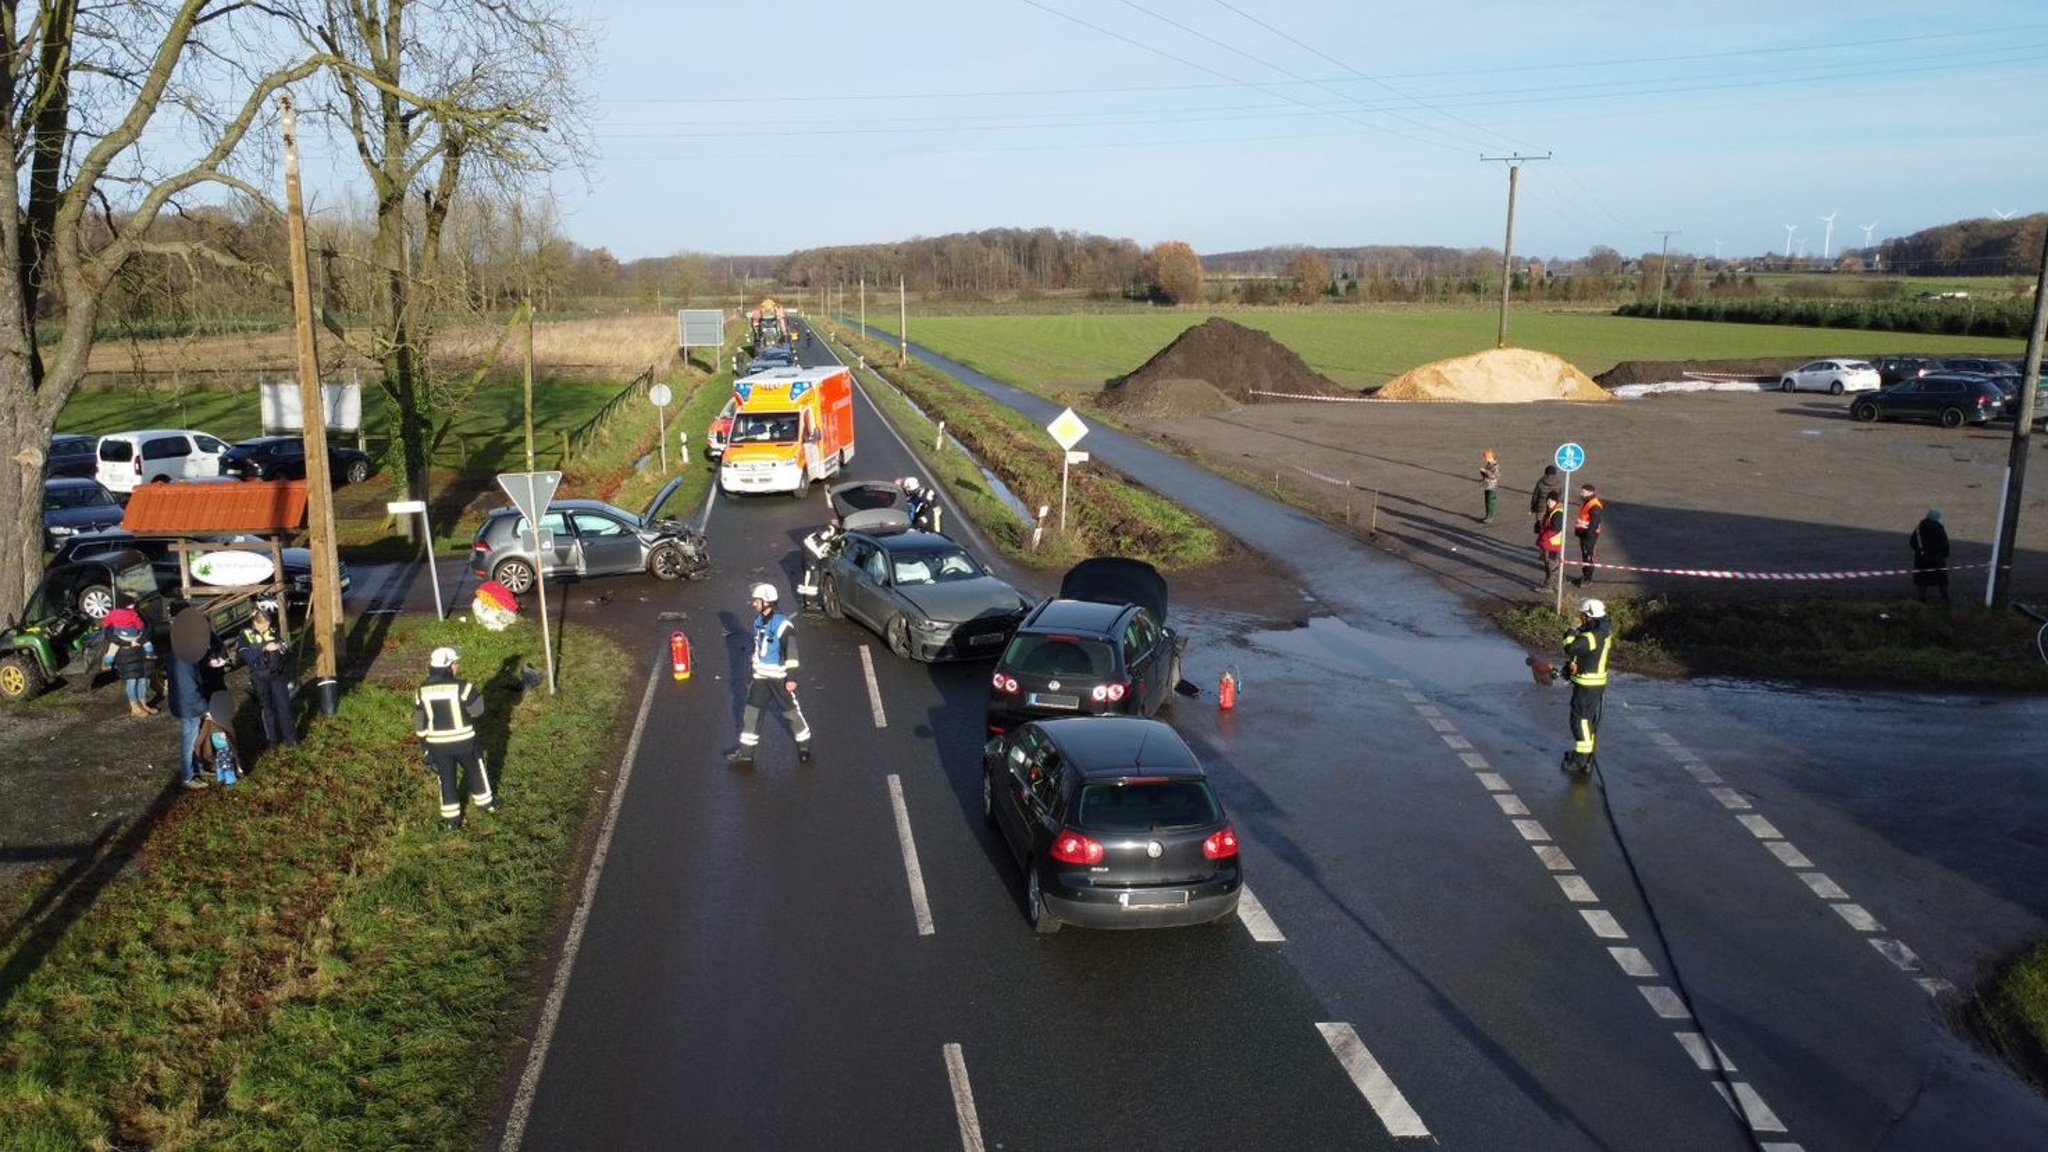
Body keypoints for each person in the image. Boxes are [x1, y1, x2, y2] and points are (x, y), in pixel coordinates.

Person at [413, 646, 498, 830]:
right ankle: (486, 805)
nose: (458, 666)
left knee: (446, 780)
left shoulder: (422, 691)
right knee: (476, 772)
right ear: (449, 666)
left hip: (437, 746)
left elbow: (420, 722)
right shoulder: (463, 687)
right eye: (456, 663)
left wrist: (425, 747)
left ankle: (452, 820)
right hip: (465, 743)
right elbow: (478, 711)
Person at [727, 583, 812, 767]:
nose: (753, 604)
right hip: (761, 678)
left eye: (756, 601)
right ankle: (746, 752)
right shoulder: (758, 622)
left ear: (767, 602)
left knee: (790, 713)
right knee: (751, 714)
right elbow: (757, 649)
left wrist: (791, 678)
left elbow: (792, 653)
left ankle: (804, 745)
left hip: (779, 679)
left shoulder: (783, 625)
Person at [166, 609, 228, 790]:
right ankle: (188, 776)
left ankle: (198, 768)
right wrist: (204, 709)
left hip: (186, 703)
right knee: (189, 740)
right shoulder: (183, 661)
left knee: (195, 737)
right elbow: (189, 688)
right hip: (189, 706)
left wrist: (208, 664)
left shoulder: (182, 651)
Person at [1561, 598, 1614, 774]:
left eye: (1583, 616)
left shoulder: (1593, 636)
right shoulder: (1600, 631)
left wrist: (1570, 633)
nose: (1581, 619)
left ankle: (1581, 761)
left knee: (1580, 721)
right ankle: (1585, 755)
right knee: (1587, 720)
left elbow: (1571, 648)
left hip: (1588, 685)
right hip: (1593, 683)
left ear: (1590, 616)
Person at [238, 606, 298, 750]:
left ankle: (291, 739)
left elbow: (285, 651)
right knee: (267, 709)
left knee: (284, 707)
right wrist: (264, 648)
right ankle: (272, 741)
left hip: (277, 675)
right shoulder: (245, 635)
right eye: (264, 624)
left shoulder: (273, 631)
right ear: (256, 623)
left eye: (268, 624)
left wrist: (282, 648)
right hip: (260, 677)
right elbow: (246, 655)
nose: (267, 627)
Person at [102, 603, 156, 716]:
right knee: (132, 680)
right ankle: (135, 707)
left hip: (140, 652)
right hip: (127, 654)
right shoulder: (118, 613)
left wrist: (142, 639)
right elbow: (111, 636)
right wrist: (129, 642)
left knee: (142, 679)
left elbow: (148, 628)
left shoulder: (139, 612)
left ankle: (143, 703)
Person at [797, 523, 843, 615]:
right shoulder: (822, 543)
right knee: (813, 581)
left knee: (808, 578)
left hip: (807, 556)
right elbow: (822, 554)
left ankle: (805, 600)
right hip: (811, 560)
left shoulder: (817, 534)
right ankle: (811, 603)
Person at [1910, 508, 1950, 604]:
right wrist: (1944, 555)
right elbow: (1945, 545)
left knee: (1922, 581)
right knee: (1941, 582)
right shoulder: (1939, 529)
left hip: (1921, 560)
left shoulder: (1919, 528)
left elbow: (1912, 542)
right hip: (1937, 561)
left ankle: (1922, 600)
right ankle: (1946, 599)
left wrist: (1919, 552)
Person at [1573, 483, 1605, 587]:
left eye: (1583, 492)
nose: (1581, 493)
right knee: (1585, 556)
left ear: (1590, 492)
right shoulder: (1588, 502)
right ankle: (1585, 576)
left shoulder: (1595, 506)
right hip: (1585, 534)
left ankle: (1588, 579)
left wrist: (1588, 536)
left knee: (1588, 556)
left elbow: (1594, 524)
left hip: (1589, 536)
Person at [1535, 493, 1566, 590]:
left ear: (1556, 501)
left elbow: (1554, 529)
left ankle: (1549, 586)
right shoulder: (1551, 511)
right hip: (1548, 543)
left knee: (1551, 566)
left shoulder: (1558, 513)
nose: (1548, 502)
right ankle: (1558, 584)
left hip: (1551, 544)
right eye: (1548, 500)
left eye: (1551, 501)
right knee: (1551, 565)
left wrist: (1543, 537)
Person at [1478, 451, 1501, 523]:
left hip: (1492, 486)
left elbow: (1493, 476)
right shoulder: (1489, 464)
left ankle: (1490, 517)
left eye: (1486, 457)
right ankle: (1487, 516)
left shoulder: (1495, 466)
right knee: (1487, 501)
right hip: (1487, 485)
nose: (1485, 459)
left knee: (1490, 501)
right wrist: (1483, 472)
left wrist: (1485, 471)